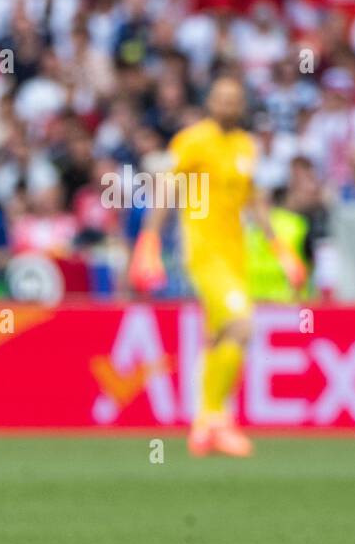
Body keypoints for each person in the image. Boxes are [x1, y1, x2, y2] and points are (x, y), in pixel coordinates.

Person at [128, 75, 306, 457]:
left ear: (242, 104)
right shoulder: (193, 140)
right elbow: (167, 188)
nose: (227, 105)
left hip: (235, 253)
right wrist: (150, 240)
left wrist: (280, 247)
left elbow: (254, 198)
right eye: (221, 98)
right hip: (204, 252)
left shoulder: (245, 145)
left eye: (234, 99)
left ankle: (205, 427)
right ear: (210, 101)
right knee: (242, 326)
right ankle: (214, 418)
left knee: (219, 338)